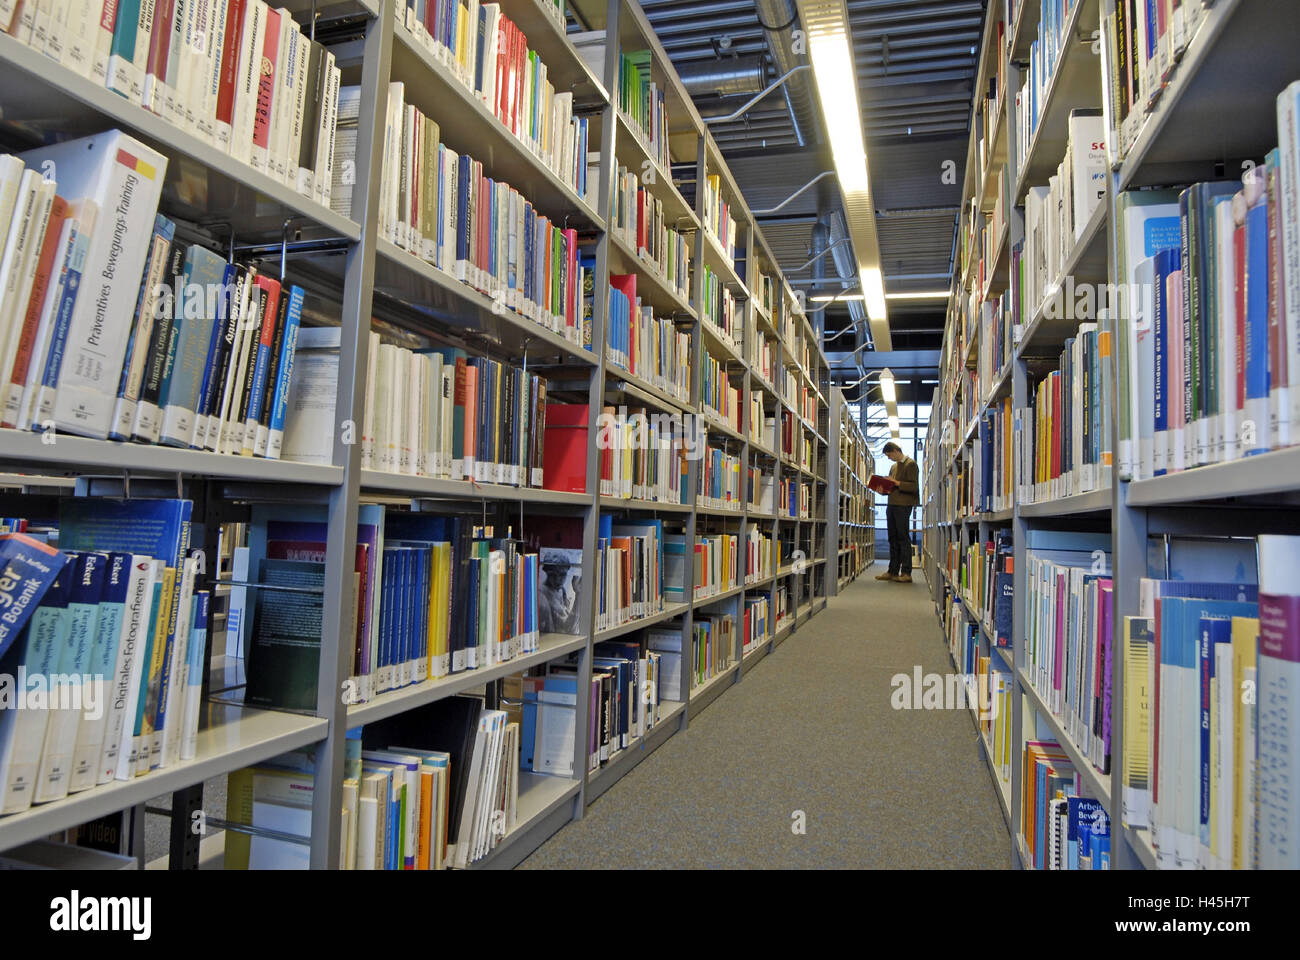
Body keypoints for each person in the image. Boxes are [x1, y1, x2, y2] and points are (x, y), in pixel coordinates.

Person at [875, 441, 919, 583]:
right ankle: (892, 571)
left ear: (895, 451)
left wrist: (896, 482)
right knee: (892, 538)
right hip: (892, 504)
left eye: (889, 455)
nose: (889, 458)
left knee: (903, 538)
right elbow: (891, 488)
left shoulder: (911, 464)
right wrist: (882, 489)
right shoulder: (894, 467)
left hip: (903, 506)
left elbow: (913, 487)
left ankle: (906, 573)